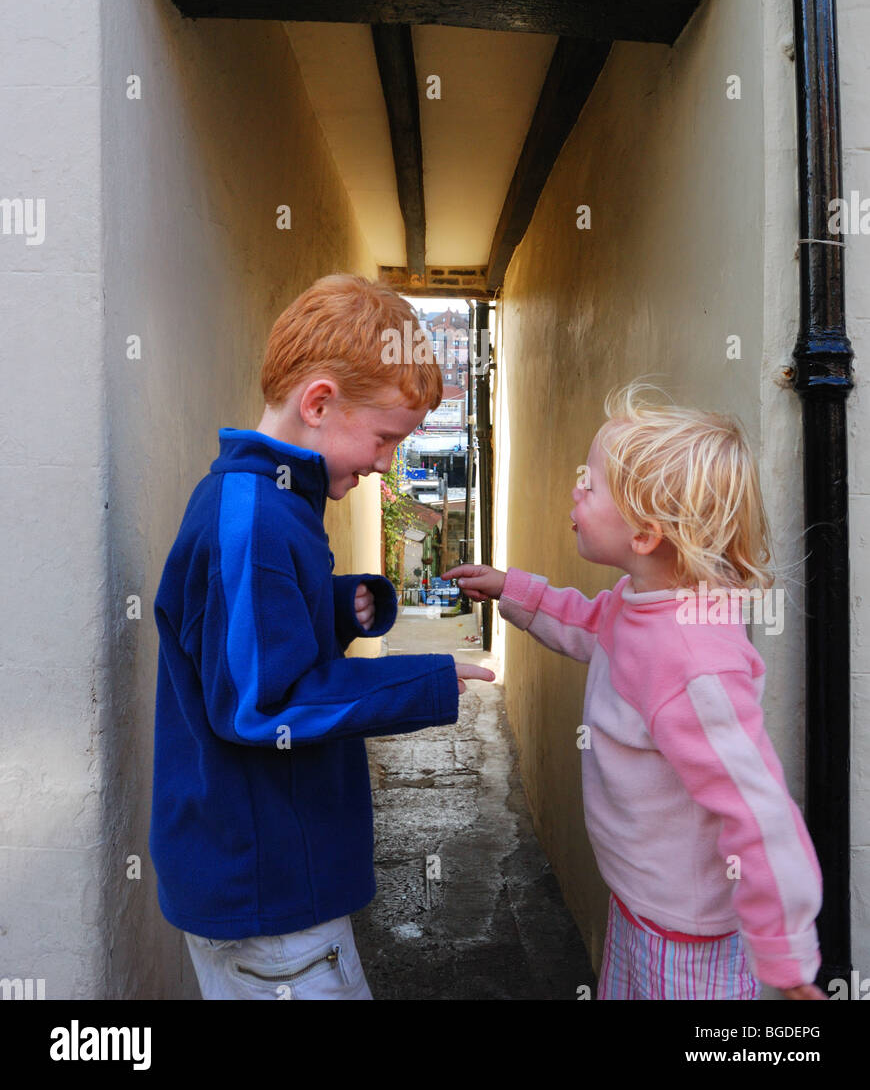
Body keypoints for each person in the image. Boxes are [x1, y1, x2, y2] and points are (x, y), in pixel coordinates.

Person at [149, 274, 494, 999]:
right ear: (319, 403)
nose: (384, 464)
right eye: (384, 438)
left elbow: (242, 637)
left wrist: (343, 607)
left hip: (262, 881)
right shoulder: (254, 517)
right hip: (269, 897)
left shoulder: (266, 503)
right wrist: (421, 682)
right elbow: (259, 706)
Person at [445, 381, 825, 1001]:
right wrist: (512, 589)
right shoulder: (641, 604)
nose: (576, 488)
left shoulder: (696, 659)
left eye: (589, 483)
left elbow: (759, 811)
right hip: (641, 911)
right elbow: (591, 624)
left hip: (690, 945)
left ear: (646, 532)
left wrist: (784, 955)